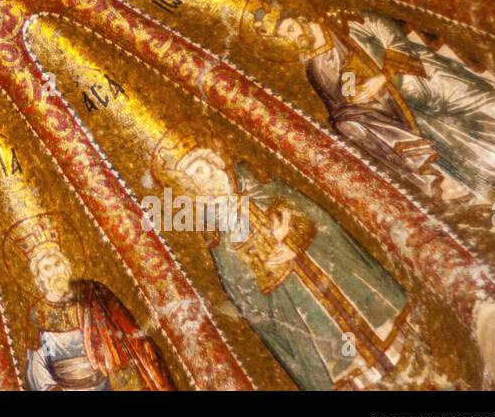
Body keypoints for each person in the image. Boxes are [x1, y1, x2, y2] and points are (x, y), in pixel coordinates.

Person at [150, 133, 413, 389]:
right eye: (192, 183)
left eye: (202, 172)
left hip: (335, 279)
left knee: (395, 349)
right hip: (299, 308)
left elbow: (317, 219)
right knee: (342, 362)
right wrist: (265, 263)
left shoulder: (259, 182)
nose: (203, 184)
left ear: (215, 161)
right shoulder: (217, 233)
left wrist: (292, 241)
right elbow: (241, 290)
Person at [247, 0, 495, 199]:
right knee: (348, 122)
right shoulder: (315, 65)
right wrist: (356, 97)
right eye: (282, 36)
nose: (290, 37)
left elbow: (395, 41)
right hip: (395, 113)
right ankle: (431, 174)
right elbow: (339, 101)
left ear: (297, 13)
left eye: (287, 28)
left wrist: (382, 77)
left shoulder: (348, 21)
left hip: (422, 79)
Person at [15, 220, 173, 391]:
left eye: (57, 264)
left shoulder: (92, 293)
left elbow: (128, 335)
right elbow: (37, 359)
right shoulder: (37, 312)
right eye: (46, 268)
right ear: (39, 276)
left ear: (66, 265)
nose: (55, 272)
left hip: (104, 381)